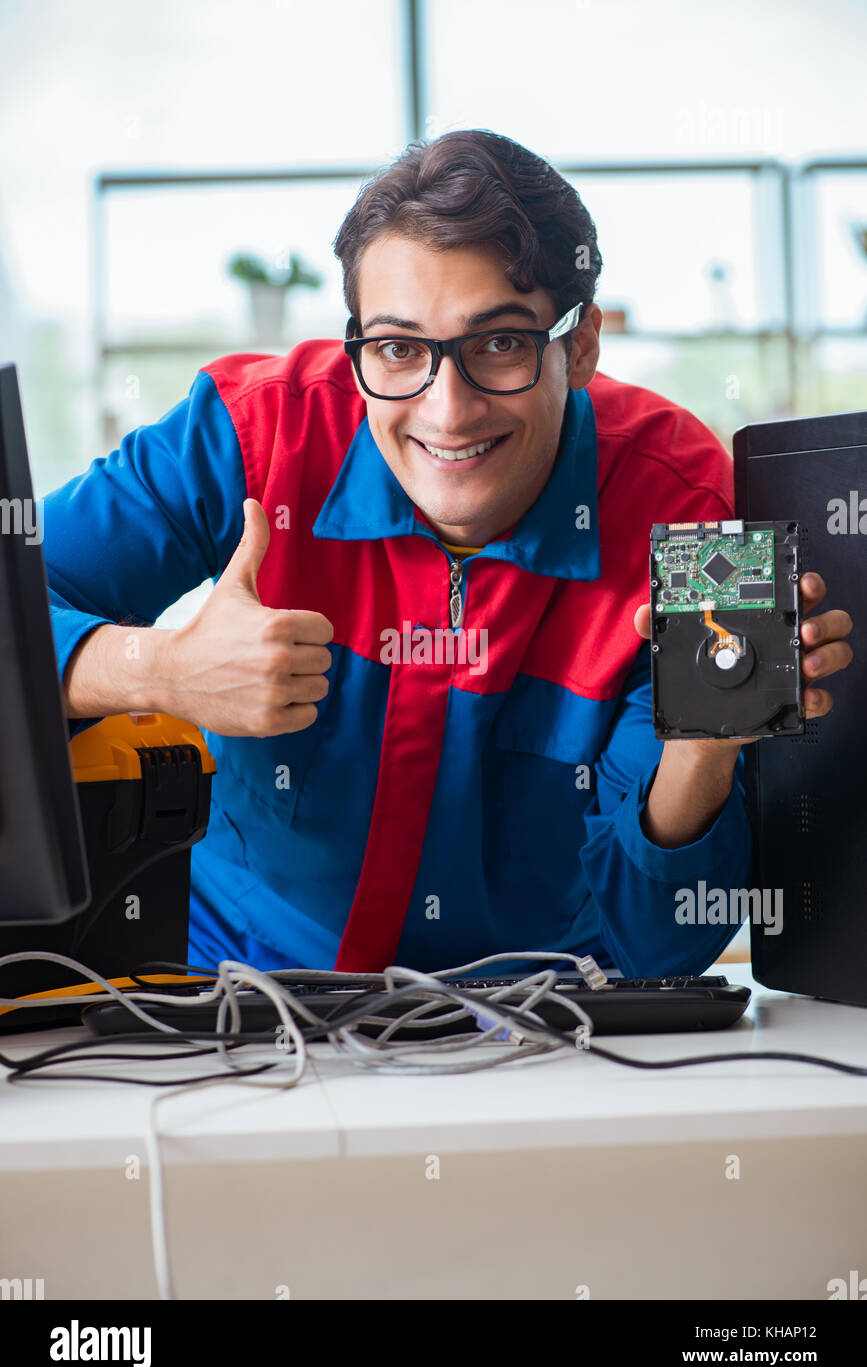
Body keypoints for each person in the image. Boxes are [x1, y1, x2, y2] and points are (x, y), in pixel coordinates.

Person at [45, 129, 853, 978]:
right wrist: (157, 670)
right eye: (397, 348)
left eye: (498, 343)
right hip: (229, 993)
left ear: (578, 346)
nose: (447, 410)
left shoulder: (687, 514)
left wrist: (706, 743)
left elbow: (662, 946)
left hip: (539, 1023)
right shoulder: (250, 432)